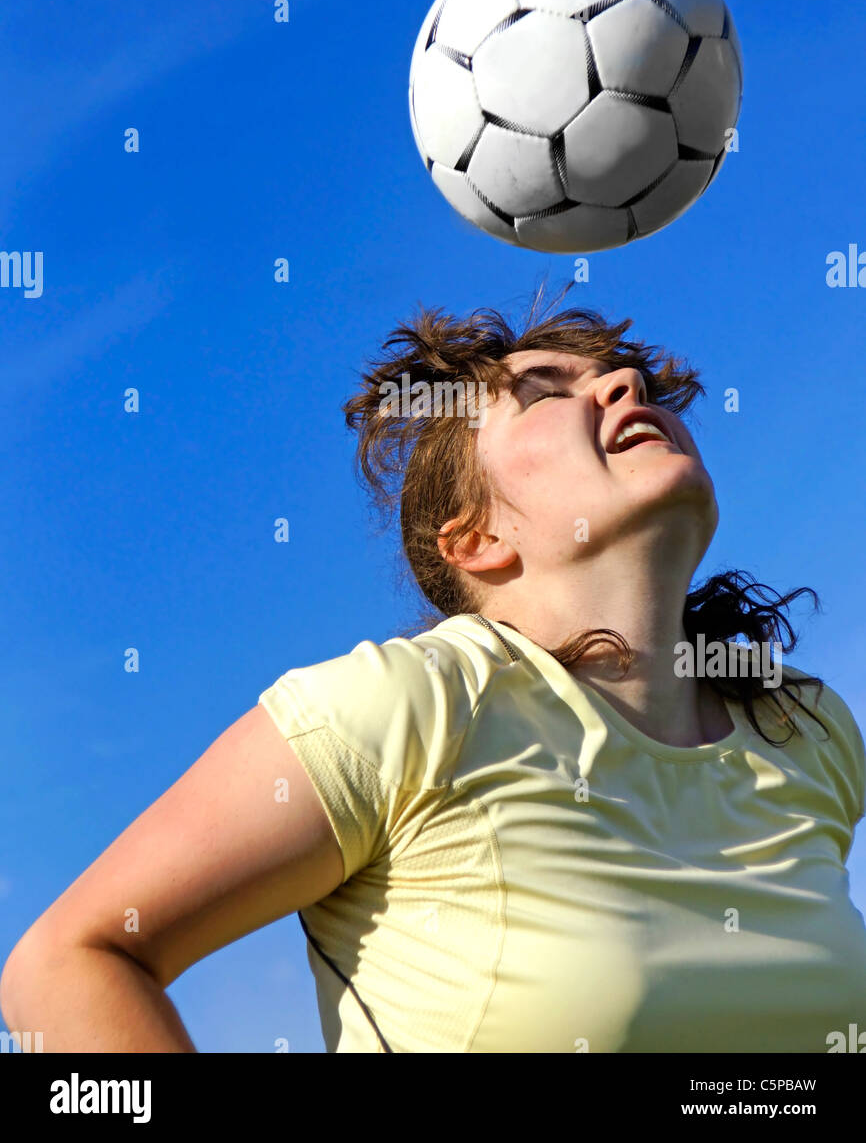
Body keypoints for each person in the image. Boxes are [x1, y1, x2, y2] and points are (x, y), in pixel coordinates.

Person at [2, 285, 865, 1053]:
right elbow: (67, 962)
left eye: (622, 377)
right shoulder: (411, 705)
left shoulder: (805, 730)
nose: (623, 386)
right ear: (477, 539)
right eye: (542, 396)